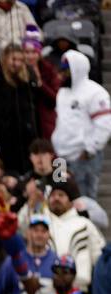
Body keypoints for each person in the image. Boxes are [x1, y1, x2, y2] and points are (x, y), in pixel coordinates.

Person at [53, 51, 111, 201]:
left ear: (75, 70)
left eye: (65, 71)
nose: (61, 75)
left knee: (83, 199)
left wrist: (90, 149)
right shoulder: (62, 93)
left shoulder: (95, 92)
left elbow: (104, 124)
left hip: (83, 157)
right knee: (59, 195)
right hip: (60, 158)